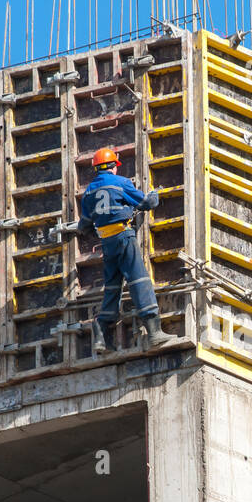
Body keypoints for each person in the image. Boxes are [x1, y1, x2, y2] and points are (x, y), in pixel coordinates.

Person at [77, 146, 178, 353]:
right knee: (139, 280)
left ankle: (102, 337)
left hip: (106, 242)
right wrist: (154, 195)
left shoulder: (88, 192)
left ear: (97, 169)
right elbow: (145, 203)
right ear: (113, 166)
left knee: (112, 288)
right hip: (123, 237)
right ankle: (154, 333)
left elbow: (84, 225)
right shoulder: (121, 183)